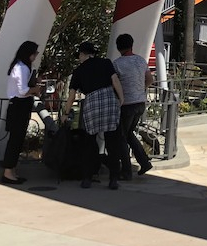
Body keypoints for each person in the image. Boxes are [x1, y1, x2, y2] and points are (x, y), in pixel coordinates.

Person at [61, 41, 126, 189]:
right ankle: (113, 178)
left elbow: (71, 95)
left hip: (92, 103)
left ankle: (87, 177)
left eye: (79, 55)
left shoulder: (79, 71)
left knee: (89, 142)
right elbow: (115, 80)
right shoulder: (106, 63)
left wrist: (66, 112)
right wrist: (121, 98)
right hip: (110, 100)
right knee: (112, 141)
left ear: (83, 54)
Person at [113, 33, 154, 179]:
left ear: (118, 47)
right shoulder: (141, 60)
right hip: (140, 103)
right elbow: (150, 79)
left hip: (126, 105)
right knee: (129, 134)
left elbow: (114, 83)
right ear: (132, 45)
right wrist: (141, 89)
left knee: (122, 137)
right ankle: (144, 162)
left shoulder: (117, 64)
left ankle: (126, 171)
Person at [2, 40, 41, 185]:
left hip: (17, 105)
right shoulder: (22, 67)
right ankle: (8, 171)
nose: (35, 56)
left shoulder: (19, 66)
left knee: (16, 139)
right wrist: (35, 90)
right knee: (15, 140)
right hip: (20, 105)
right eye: (34, 53)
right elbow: (23, 91)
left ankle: (11, 170)